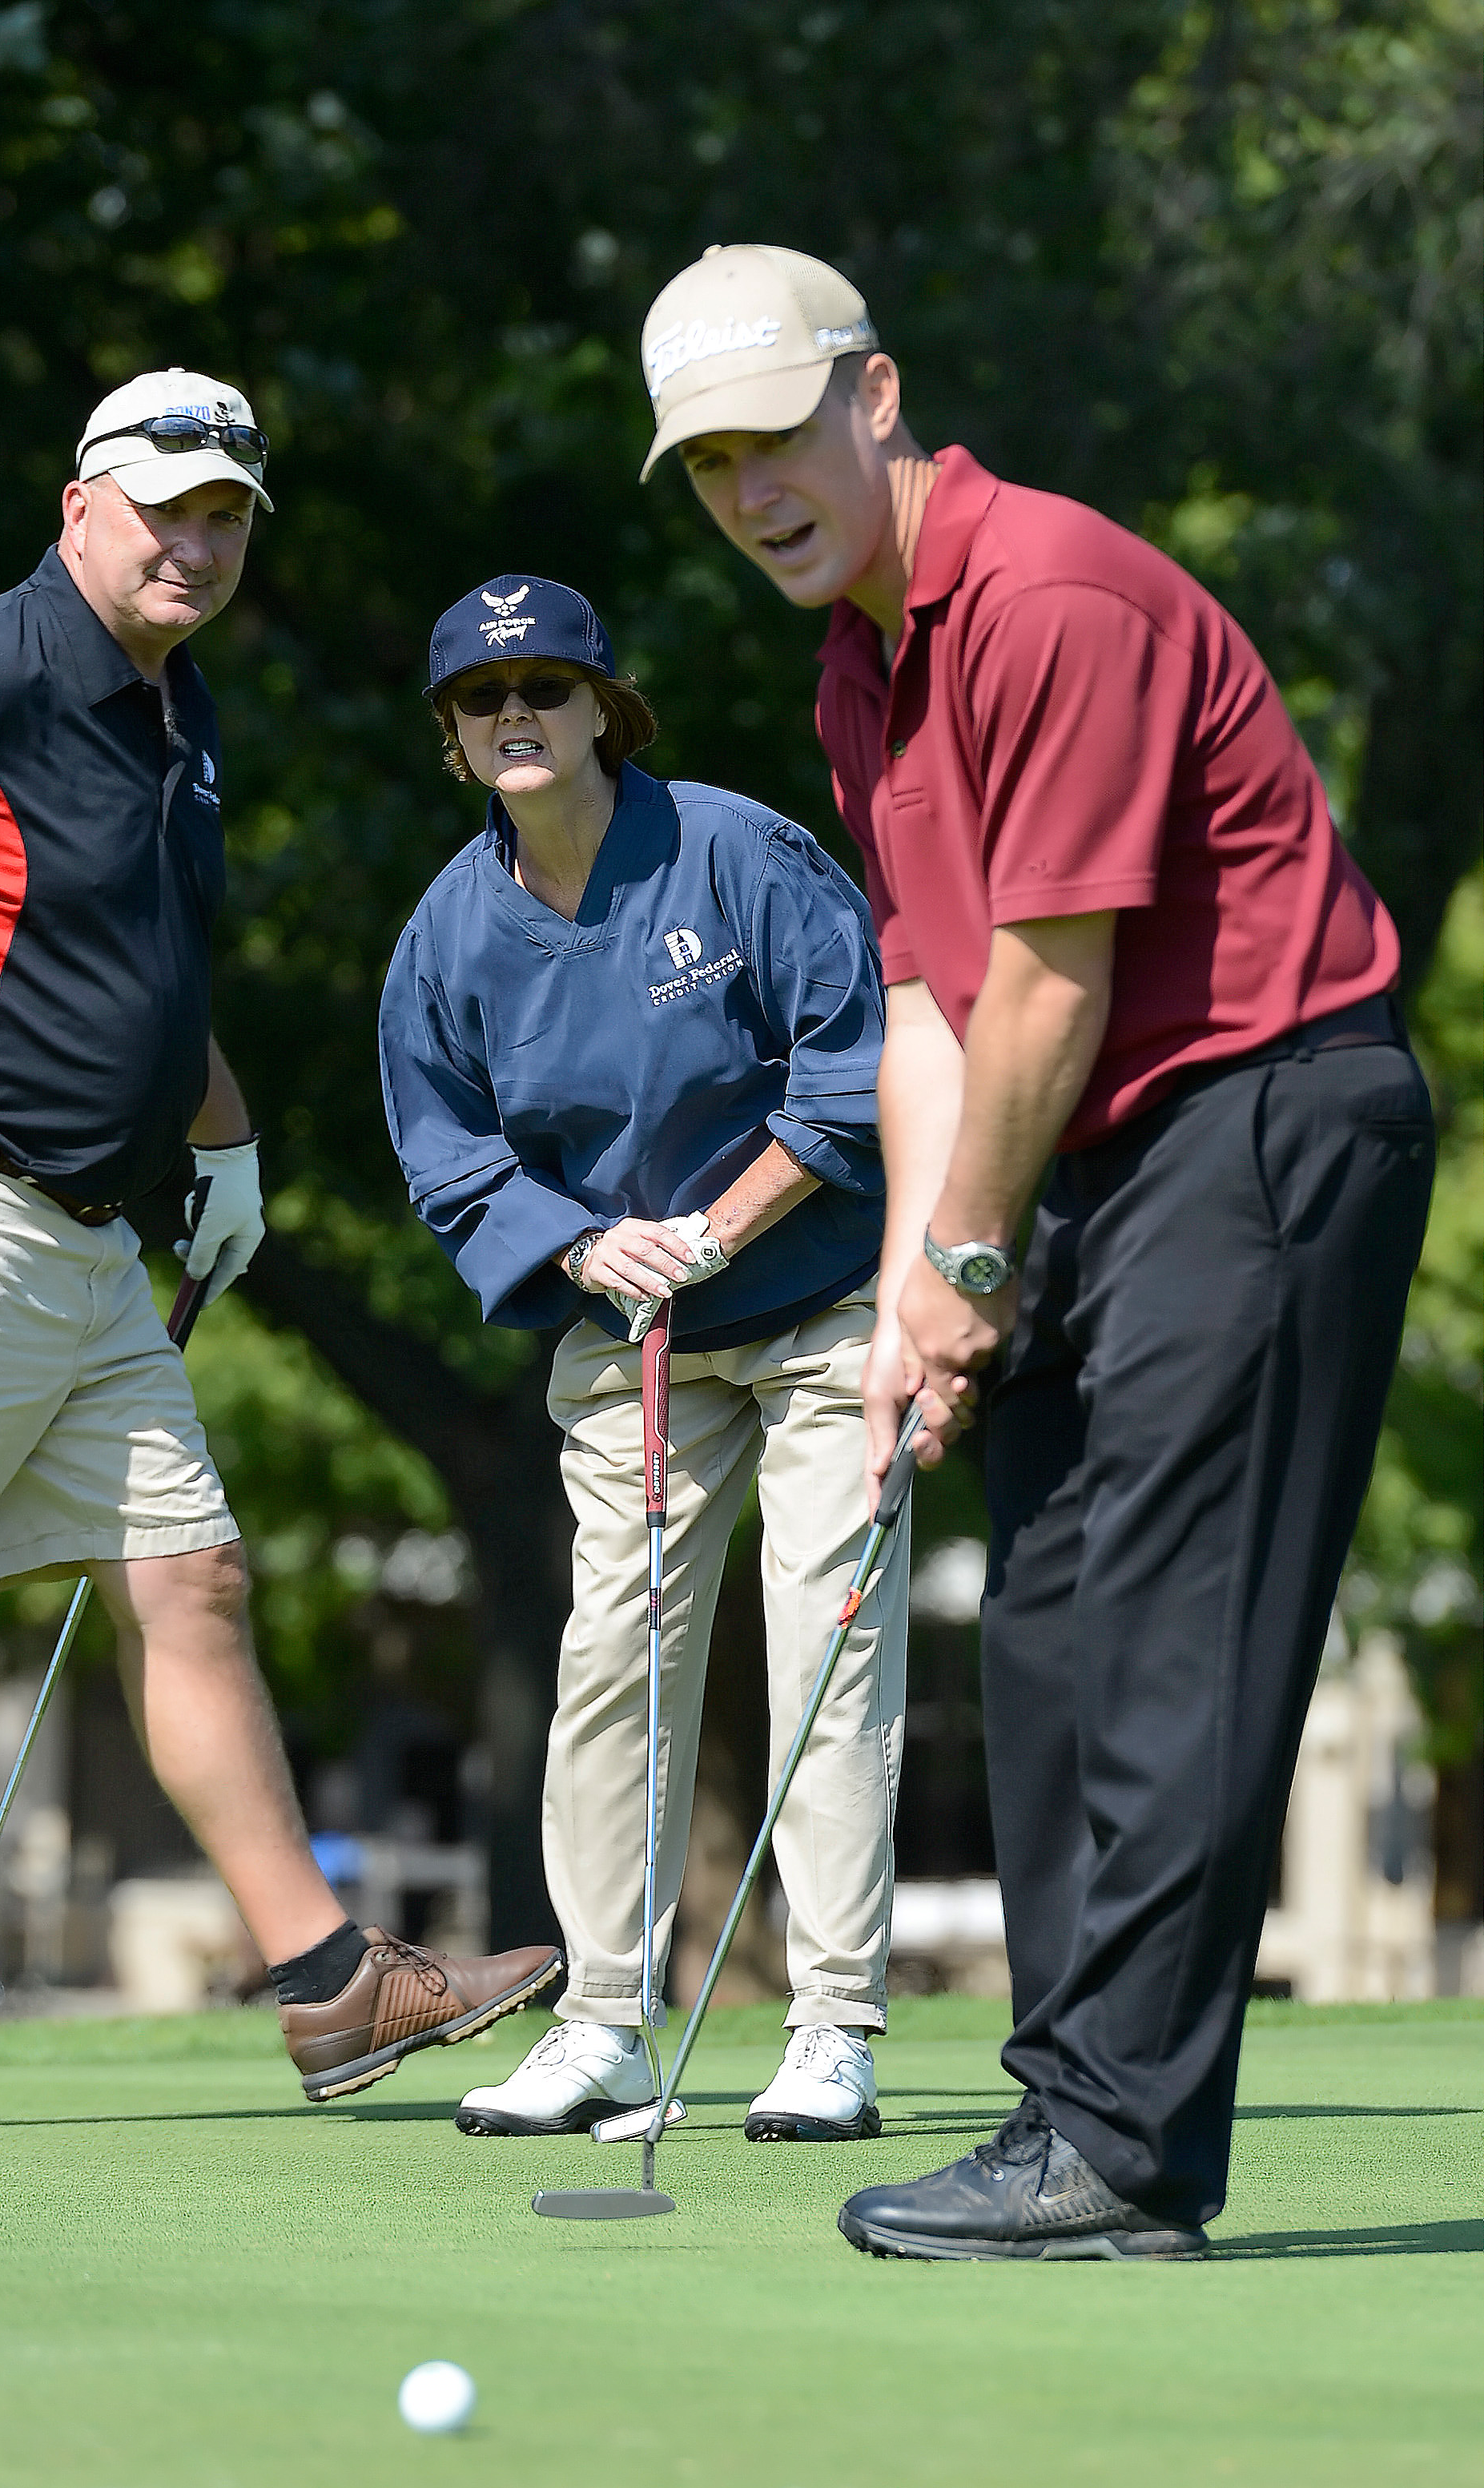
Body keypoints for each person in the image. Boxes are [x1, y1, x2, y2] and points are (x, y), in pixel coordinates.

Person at [639, 243, 1435, 2254]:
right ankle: (1073, 2122)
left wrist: (967, 1263)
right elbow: (928, 1003)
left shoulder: (1051, 595)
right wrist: (915, 1285)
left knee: (1177, 1638)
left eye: (774, 436)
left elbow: (1056, 985)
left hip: (1264, 1116)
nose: (750, 493)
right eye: (708, 465)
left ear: (877, 397)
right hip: (1086, 1141)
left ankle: (1124, 2147)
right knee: (1058, 1633)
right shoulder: (862, 662)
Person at [0, 368, 557, 2140]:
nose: (197, 543)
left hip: (84, 1239)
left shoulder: (175, 708)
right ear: (81, 506)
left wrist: (218, 1144)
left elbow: (143, 973)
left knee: (190, 1580)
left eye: (226, 514)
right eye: (165, 509)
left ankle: (324, 1984)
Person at [379, 574, 902, 2143]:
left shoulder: (743, 854)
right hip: (630, 1333)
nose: (515, 714)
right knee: (616, 1657)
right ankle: (603, 2017)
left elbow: (849, 1071)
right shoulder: (447, 932)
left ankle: (834, 2026)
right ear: (456, 744)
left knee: (828, 1649)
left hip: (819, 1308)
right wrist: (581, 1246)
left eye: (545, 686)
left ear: (609, 709)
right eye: (483, 700)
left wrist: (723, 1227)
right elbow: (448, 1149)